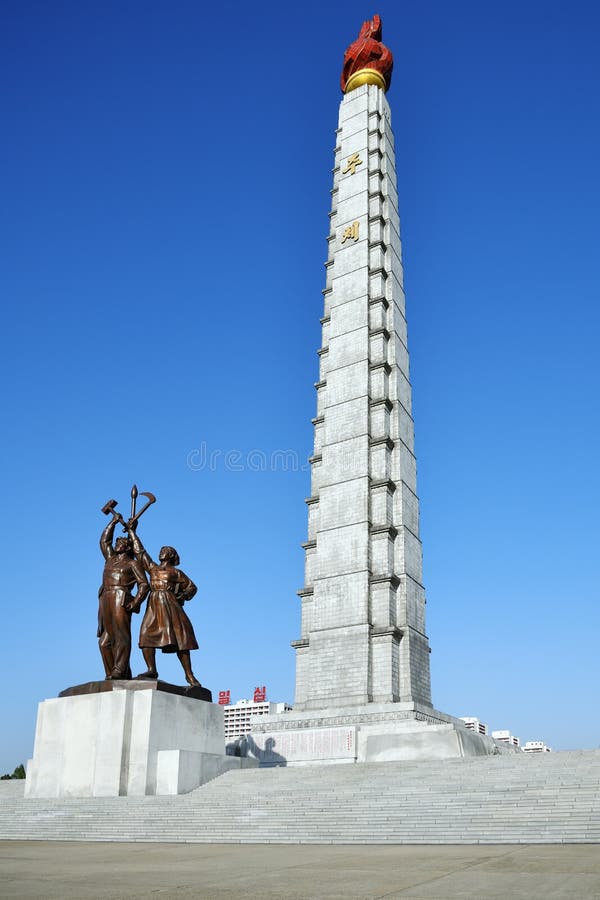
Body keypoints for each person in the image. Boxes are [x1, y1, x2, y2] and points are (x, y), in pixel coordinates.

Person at [129, 521, 201, 687]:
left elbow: (192, 588)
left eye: (165, 551)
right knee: (146, 633)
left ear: (171, 556)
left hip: (170, 605)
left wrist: (181, 595)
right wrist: (132, 532)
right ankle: (151, 669)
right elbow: (140, 553)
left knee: (181, 639)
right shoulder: (153, 568)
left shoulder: (176, 572)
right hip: (154, 603)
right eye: (161, 550)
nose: (162, 552)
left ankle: (189, 675)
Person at [98, 513, 149, 679]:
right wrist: (112, 522)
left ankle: (119, 670)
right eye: (117, 542)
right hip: (106, 597)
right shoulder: (110, 559)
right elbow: (104, 541)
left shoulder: (132, 563)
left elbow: (144, 584)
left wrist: (136, 601)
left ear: (127, 547)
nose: (117, 544)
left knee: (121, 636)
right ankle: (115, 672)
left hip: (121, 596)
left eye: (121, 543)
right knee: (104, 642)